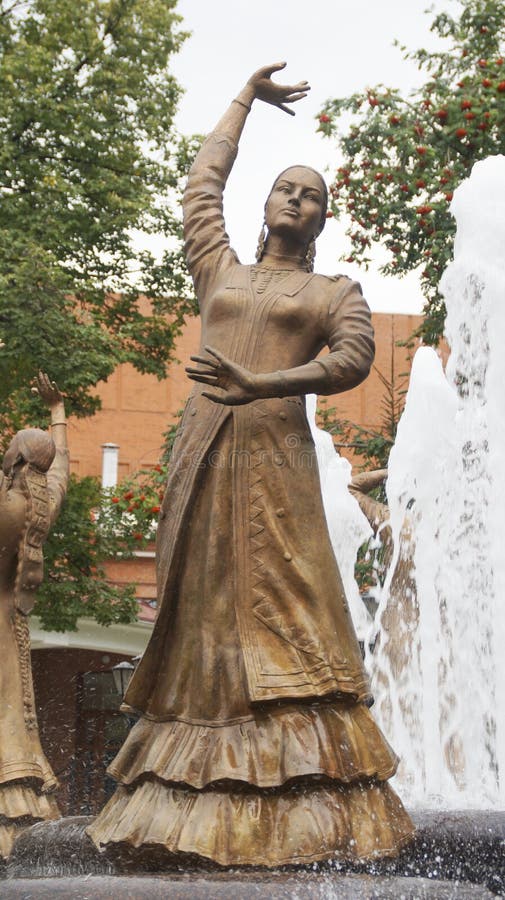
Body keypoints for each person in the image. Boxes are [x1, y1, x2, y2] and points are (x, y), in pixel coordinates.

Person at [88, 63, 414, 866]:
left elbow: (349, 361)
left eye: (312, 195)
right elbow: (199, 189)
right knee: (201, 607)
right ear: (266, 204)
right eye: (285, 188)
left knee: (287, 604)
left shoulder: (335, 290)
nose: (296, 200)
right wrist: (243, 99)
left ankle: (310, 790)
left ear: (322, 220)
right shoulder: (221, 274)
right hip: (201, 455)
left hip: (274, 463)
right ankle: (185, 786)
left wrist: (261, 382)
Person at [0, 373, 69, 858]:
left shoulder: (4, 505)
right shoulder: (39, 507)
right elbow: (60, 468)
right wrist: (57, 412)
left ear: (17, 459)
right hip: (12, 630)